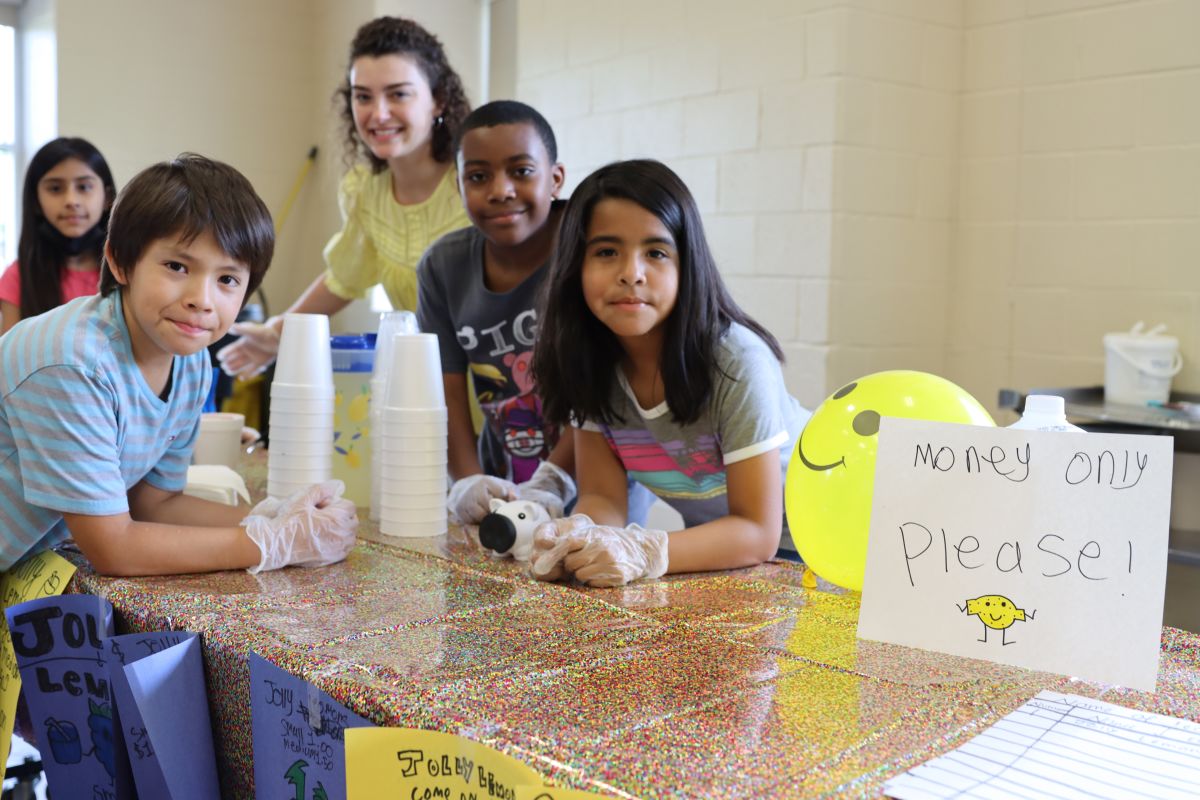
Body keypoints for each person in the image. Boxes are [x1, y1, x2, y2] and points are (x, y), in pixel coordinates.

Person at [0, 154, 357, 576]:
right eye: (176, 266)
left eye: (227, 279)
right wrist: (270, 543)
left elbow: (154, 503)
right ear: (118, 261)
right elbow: (114, 550)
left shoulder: (190, 363)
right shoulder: (71, 361)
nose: (202, 300)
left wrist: (272, 518)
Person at [528, 160, 810, 588]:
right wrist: (584, 536)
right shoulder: (587, 360)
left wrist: (644, 550)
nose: (631, 273)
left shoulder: (737, 360)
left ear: (687, 266)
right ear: (574, 267)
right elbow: (603, 496)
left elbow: (757, 533)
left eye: (656, 253)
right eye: (606, 252)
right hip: (738, 562)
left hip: (814, 556)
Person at [216, 16, 472, 378]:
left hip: (503, 393)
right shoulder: (365, 190)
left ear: (439, 100)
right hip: (426, 388)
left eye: (398, 93)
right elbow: (344, 277)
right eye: (363, 96)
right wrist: (277, 333)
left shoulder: (476, 182)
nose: (378, 114)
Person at [416, 100, 575, 524]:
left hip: (596, 493)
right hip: (498, 489)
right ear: (460, 186)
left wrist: (551, 484)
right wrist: (469, 483)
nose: (501, 190)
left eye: (521, 171)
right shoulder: (442, 267)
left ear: (555, 179)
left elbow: (610, 392)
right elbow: (445, 392)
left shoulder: (590, 250)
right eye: (479, 176)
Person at [0, 137, 116, 335]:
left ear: (107, 198)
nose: (71, 200)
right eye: (55, 188)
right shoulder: (19, 276)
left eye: (84, 187)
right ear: (36, 201)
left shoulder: (128, 271)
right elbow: (9, 361)